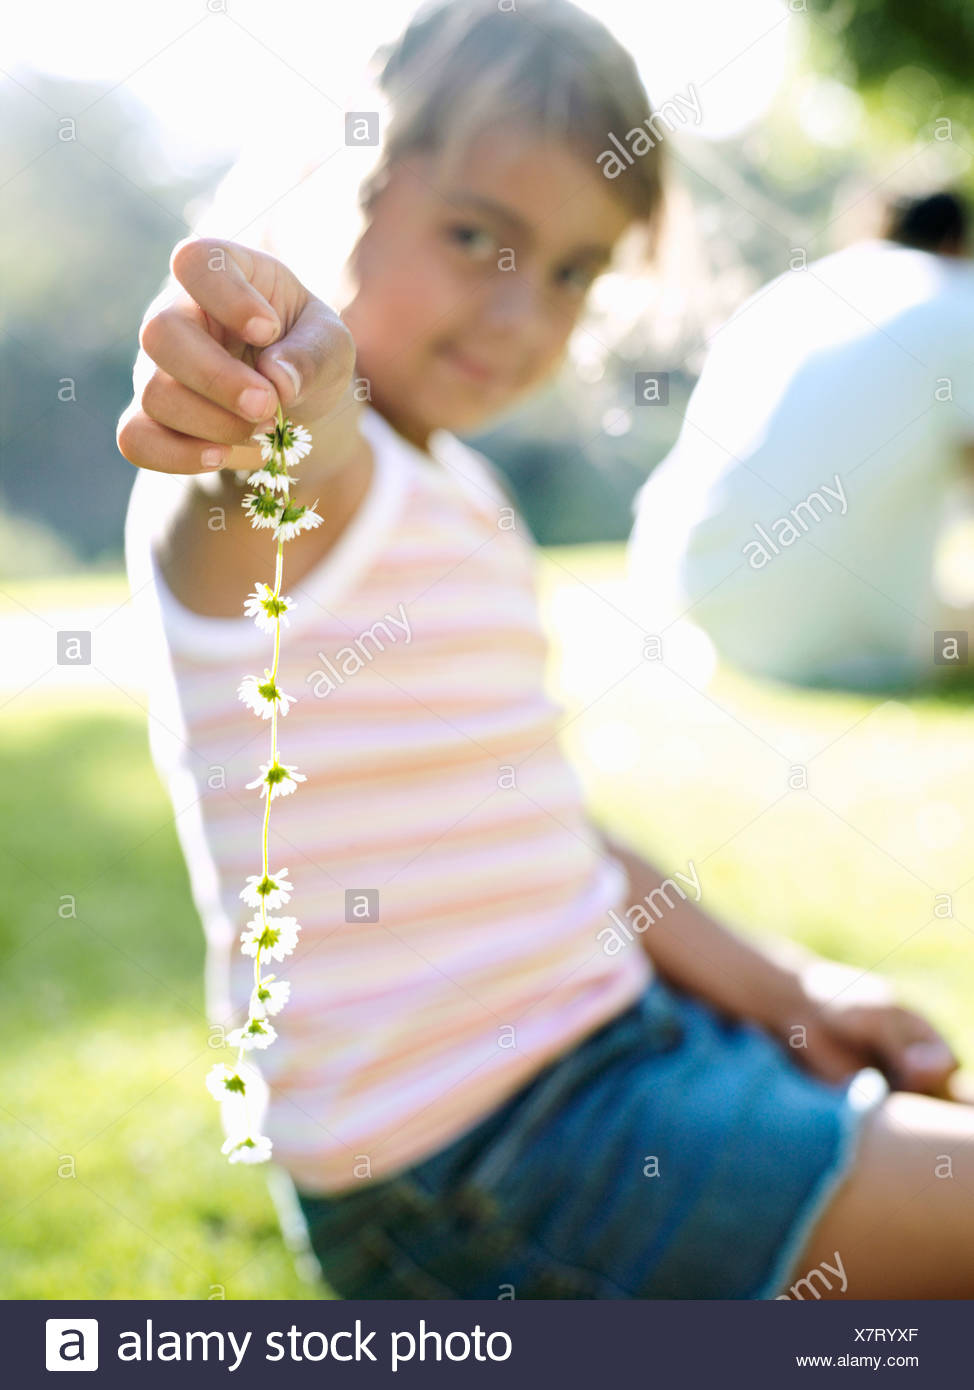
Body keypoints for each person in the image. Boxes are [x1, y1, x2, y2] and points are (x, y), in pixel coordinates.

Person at [119, 0, 974, 1299]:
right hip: (481, 1161)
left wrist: (789, 986)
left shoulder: (460, 495)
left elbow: (551, 833)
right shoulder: (317, 482)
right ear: (347, 177)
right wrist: (263, 405)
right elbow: (268, 475)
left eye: (574, 271)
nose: (524, 314)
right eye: (478, 237)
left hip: (621, 1056)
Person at [628, 190, 974, 692]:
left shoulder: (793, 289)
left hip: (689, 602)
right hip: (820, 633)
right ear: (954, 242)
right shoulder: (958, 296)